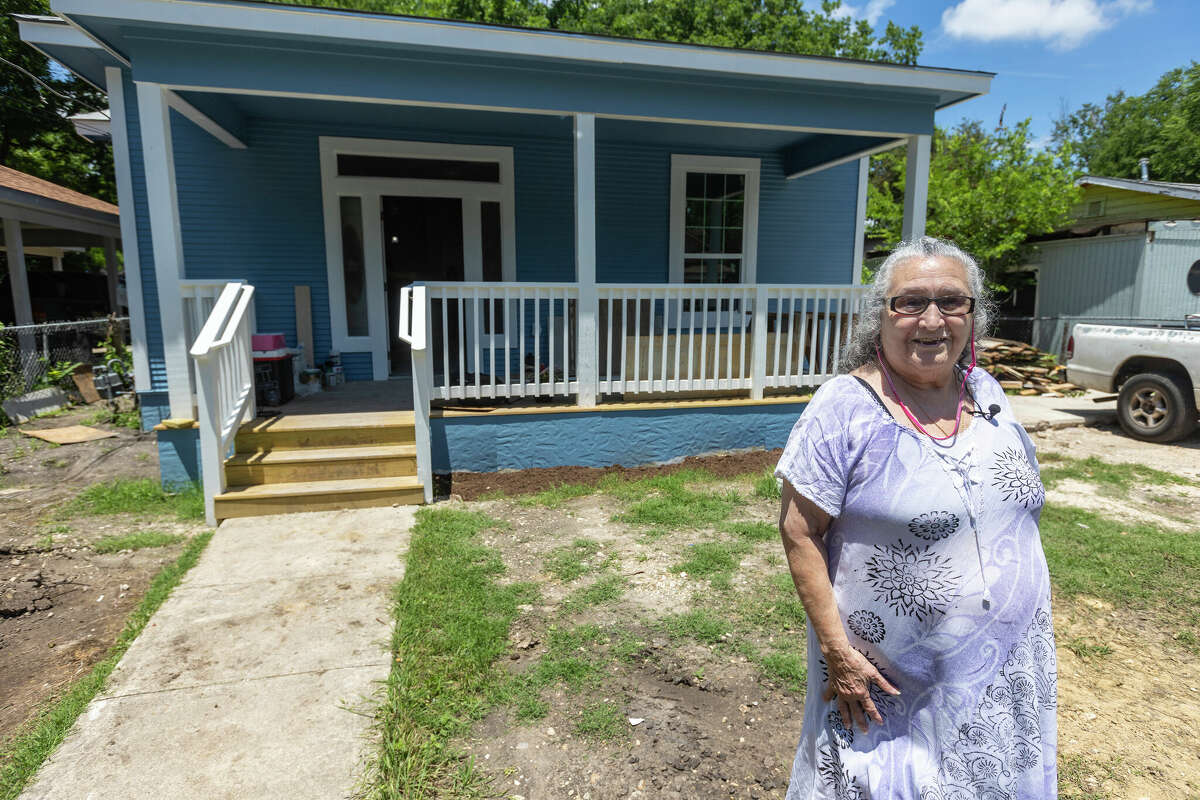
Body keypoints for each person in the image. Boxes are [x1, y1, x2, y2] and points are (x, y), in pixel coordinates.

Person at [775, 237, 1056, 800]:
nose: (933, 319)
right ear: (880, 316)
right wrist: (839, 655)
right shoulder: (843, 408)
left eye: (953, 302)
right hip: (891, 683)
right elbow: (800, 531)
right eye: (910, 302)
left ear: (974, 316)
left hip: (1005, 669)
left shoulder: (987, 392)